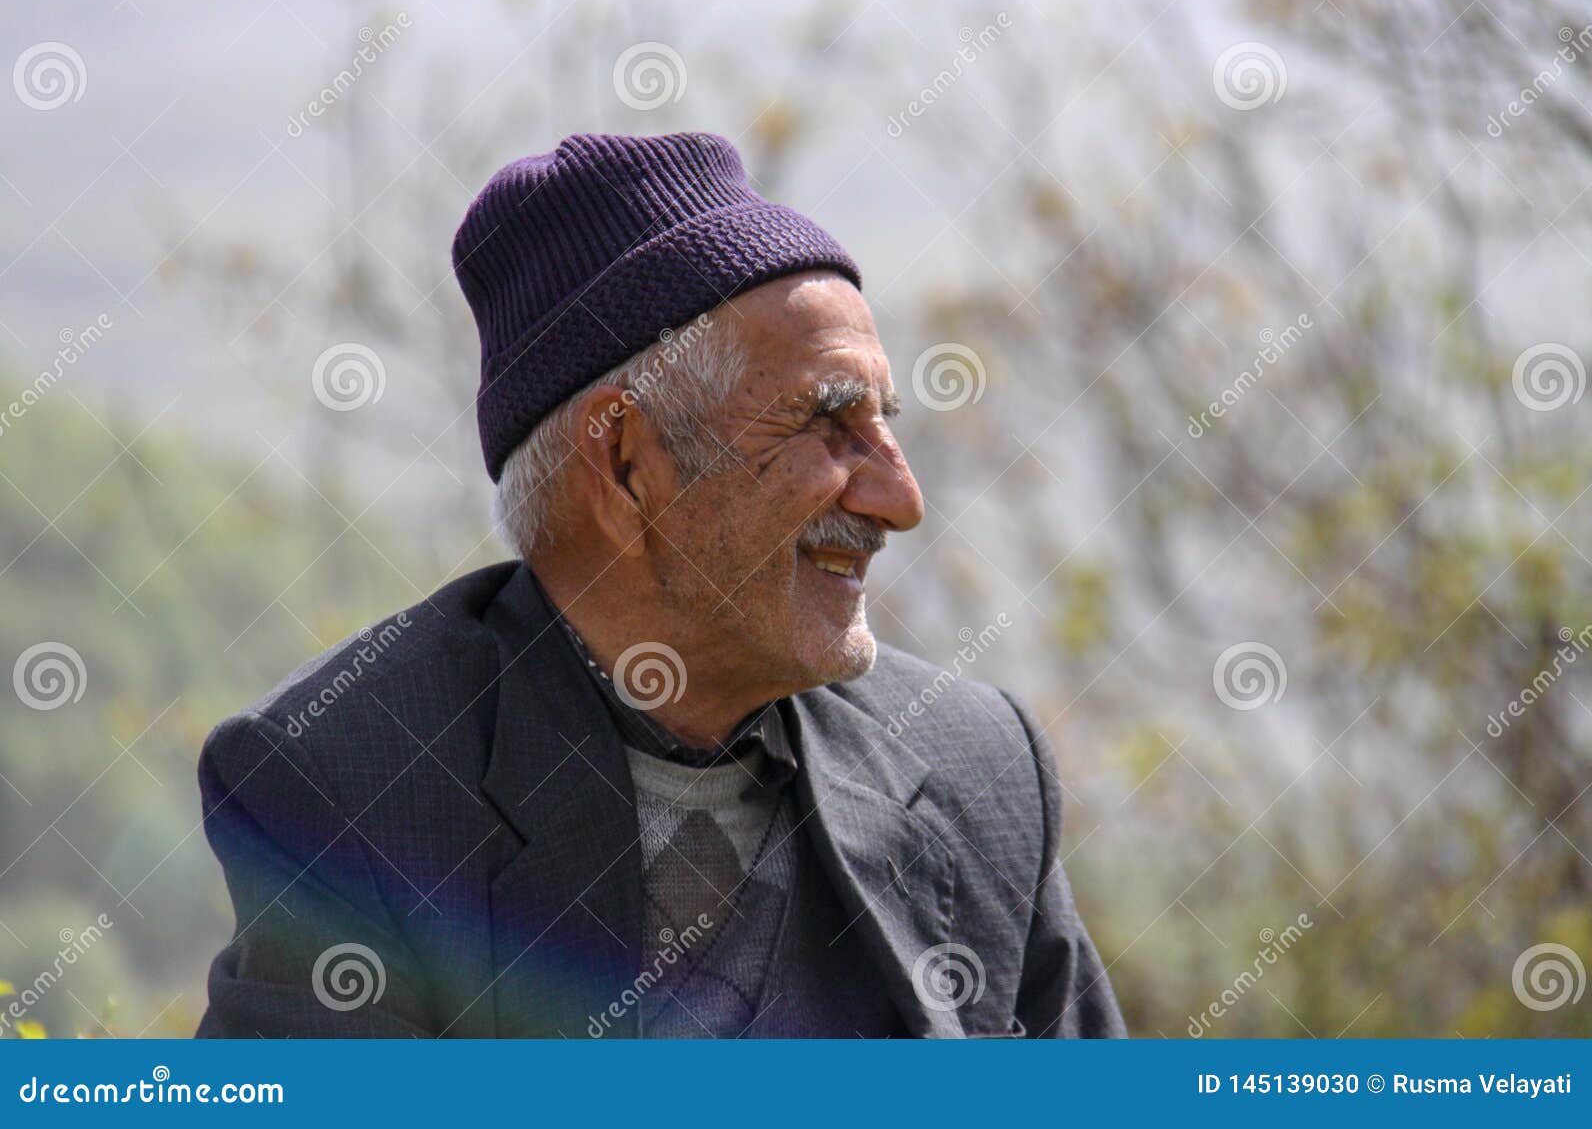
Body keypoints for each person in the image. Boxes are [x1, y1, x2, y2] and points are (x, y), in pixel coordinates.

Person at [195, 131, 1124, 1039]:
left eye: (885, 422)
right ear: (628, 462)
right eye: (827, 423)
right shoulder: (355, 787)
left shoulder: (981, 770)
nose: (900, 498)